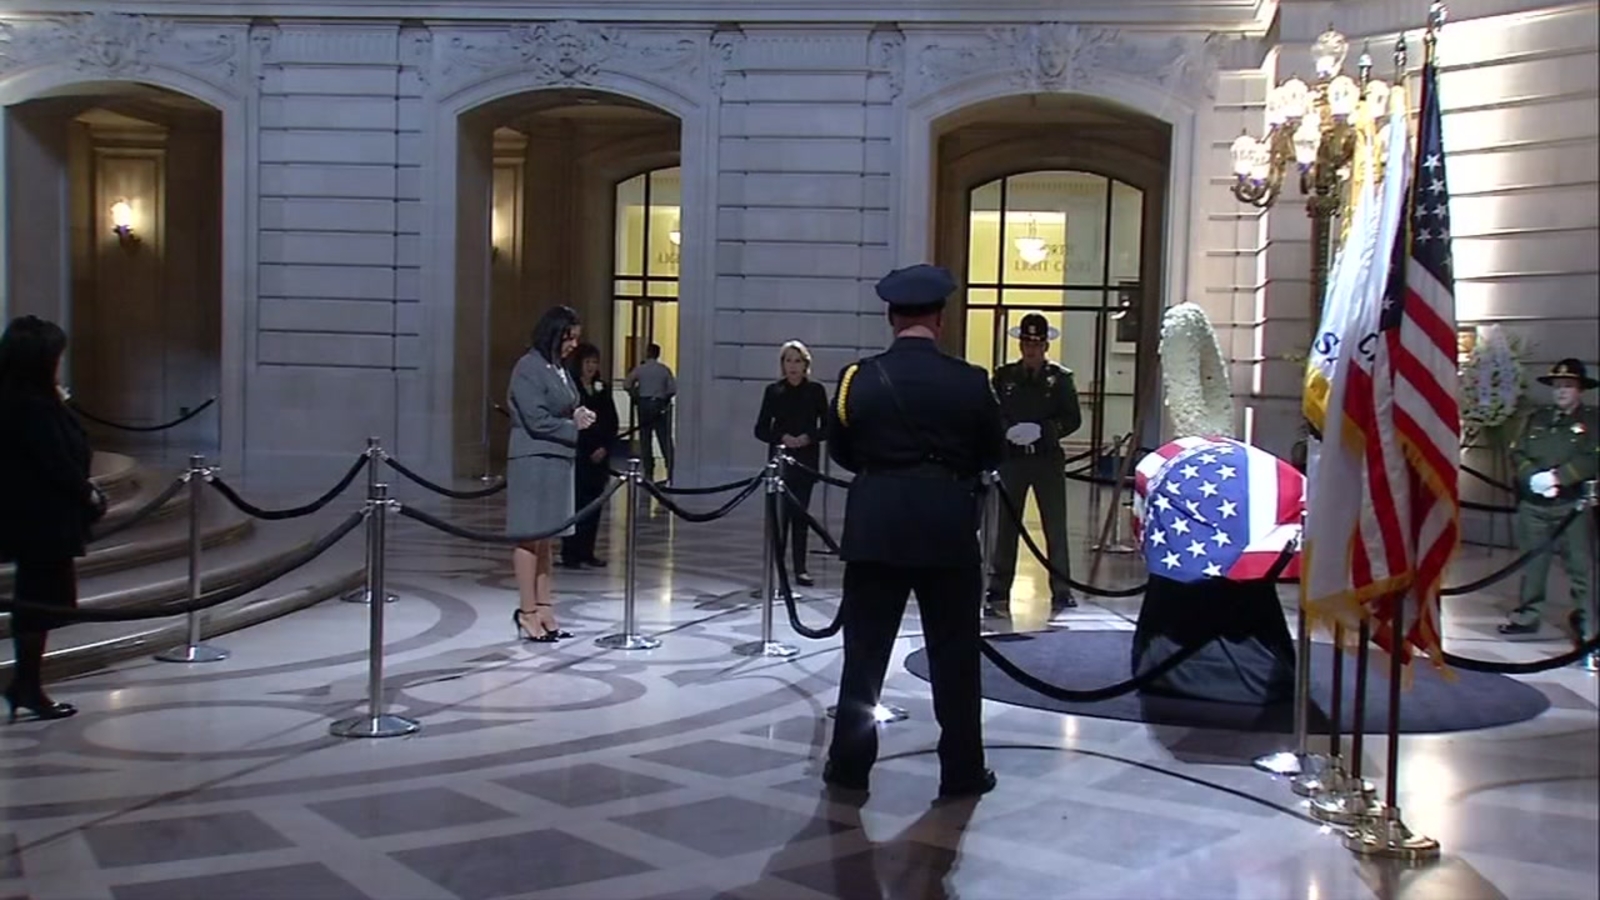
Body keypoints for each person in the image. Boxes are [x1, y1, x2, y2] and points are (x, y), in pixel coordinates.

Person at [823, 264, 1006, 799]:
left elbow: (841, 449)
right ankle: (962, 769)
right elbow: (991, 453)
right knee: (955, 656)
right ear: (941, 319)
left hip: (878, 522)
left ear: (890, 317)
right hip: (947, 526)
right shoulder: (971, 380)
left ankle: (850, 767)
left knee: (865, 656)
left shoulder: (857, 378)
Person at [0, 315, 106, 722]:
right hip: (39, 519)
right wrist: (88, 494)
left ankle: (27, 683)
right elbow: (57, 461)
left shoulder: (25, 399)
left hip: (33, 516)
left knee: (36, 601)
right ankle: (27, 684)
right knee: (37, 602)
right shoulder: (31, 406)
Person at [506, 306, 597, 642]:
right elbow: (535, 417)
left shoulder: (558, 368)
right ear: (553, 334)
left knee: (545, 539)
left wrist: (579, 411)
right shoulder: (527, 367)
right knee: (528, 536)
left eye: (576, 337)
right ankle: (527, 612)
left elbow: (565, 404)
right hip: (533, 460)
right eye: (569, 337)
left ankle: (545, 608)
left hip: (557, 459)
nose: (574, 344)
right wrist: (572, 424)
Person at [986, 312, 1083, 618]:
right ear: (1020, 345)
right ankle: (999, 587)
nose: (1031, 349)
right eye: (1027, 343)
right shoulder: (1004, 377)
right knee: (1007, 526)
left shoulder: (1059, 378)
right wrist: (1006, 430)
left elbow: (1073, 418)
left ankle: (1062, 589)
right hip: (1013, 459)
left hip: (1045, 459)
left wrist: (1046, 430)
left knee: (1054, 524)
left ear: (1045, 346)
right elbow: (993, 410)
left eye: (1037, 343)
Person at [1499, 358, 1598, 642]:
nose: (1561, 391)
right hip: (1535, 505)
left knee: (1581, 567)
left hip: (1572, 505)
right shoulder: (1536, 418)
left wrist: (1559, 478)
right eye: (1557, 385)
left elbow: (1593, 457)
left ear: (1580, 389)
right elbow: (1518, 453)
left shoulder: (1592, 420)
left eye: (1568, 385)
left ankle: (1586, 621)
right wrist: (1533, 477)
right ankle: (1528, 615)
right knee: (1533, 563)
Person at [753, 340, 830, 587]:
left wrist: (808, 437)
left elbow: (828, 427)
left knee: (801, 516)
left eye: (797, 361)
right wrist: (782, 437)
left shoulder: (816, 390)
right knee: (779, 518)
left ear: (806, 364)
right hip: (780, 463)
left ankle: (800, 569)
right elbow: (761, 429)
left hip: (805, 462)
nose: (792, 366)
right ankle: (776, 570)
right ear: (782, 364)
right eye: (788, 361)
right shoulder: (774, 391)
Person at [562, 342, 620, 569]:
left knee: (594, 505)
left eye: (594, 362)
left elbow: (611, 420)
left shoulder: (602, 388)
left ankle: (588, 551)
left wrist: (604, 447)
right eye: (587, 362)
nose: (591, 367)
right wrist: (587, 448)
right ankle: (571, 552)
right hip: (579, 455)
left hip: (600, 456)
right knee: (575, 505)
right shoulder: (571, 389)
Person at [625, 343, 676, 484]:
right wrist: (664, 398)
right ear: (658, 354)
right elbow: (672, 389)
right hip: (659, 405)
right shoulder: (664, 370)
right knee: (664, 438)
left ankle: (648, 468)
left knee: (645, 438)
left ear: (647, 353)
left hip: (644, 404)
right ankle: (671, 466)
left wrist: (635, 395)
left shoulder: (641, 369)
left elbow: (627, 384)